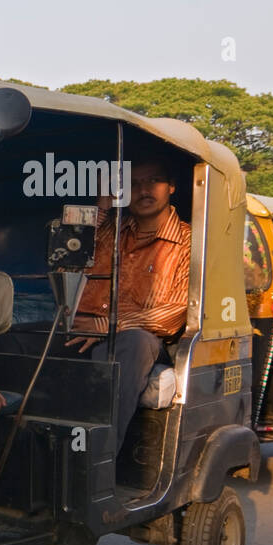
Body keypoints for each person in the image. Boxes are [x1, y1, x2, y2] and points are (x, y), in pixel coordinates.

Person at [66, 158, 191, 448]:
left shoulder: (188, 241)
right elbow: (64, 268)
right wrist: (100, 210)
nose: (143, 190)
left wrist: (110, 324)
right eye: (133, 184)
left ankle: (98, 458)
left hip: (142, 341)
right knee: (16, 340)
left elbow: (174, 314)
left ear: (171, 186)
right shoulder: (109, 230)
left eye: (153, 181)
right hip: (85, 332)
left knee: (128, 344)